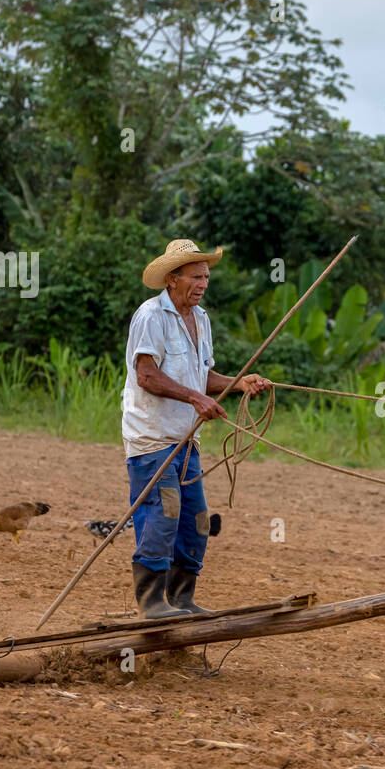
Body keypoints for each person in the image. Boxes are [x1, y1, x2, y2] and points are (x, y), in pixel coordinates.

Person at [121, 239, 272, 619]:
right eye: (195, 276)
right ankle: (152, 601)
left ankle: (182, 597)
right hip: (152, 438)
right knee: (164, 512)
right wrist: (195, 399)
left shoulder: (200, 318)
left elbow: (202, 376)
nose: (203, 283)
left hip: (187, 440)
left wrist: (238, 383)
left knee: (198, 520)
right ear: (172, 279)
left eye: (206, 276)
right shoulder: (151, 316)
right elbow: (147, 376)